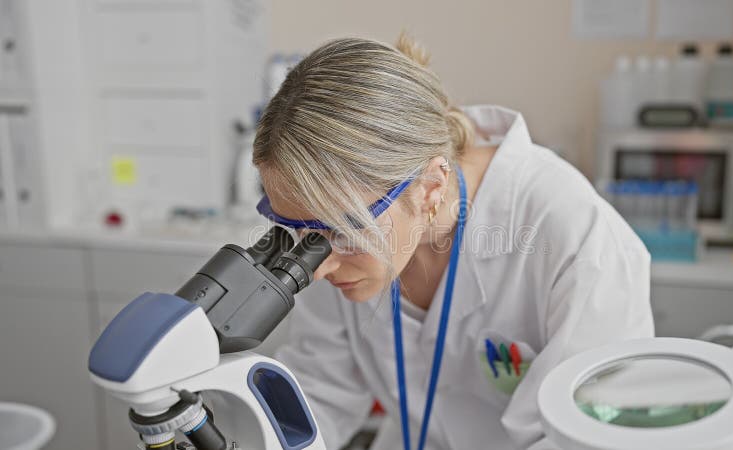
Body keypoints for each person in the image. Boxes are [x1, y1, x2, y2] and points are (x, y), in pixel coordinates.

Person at [252, 34, 654, 450]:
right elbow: (320, 393)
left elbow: (585, 436)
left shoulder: (579, 241)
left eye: (341, 232)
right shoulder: (335, 232)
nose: (317, 267)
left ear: (430, 185)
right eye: (298, 230)